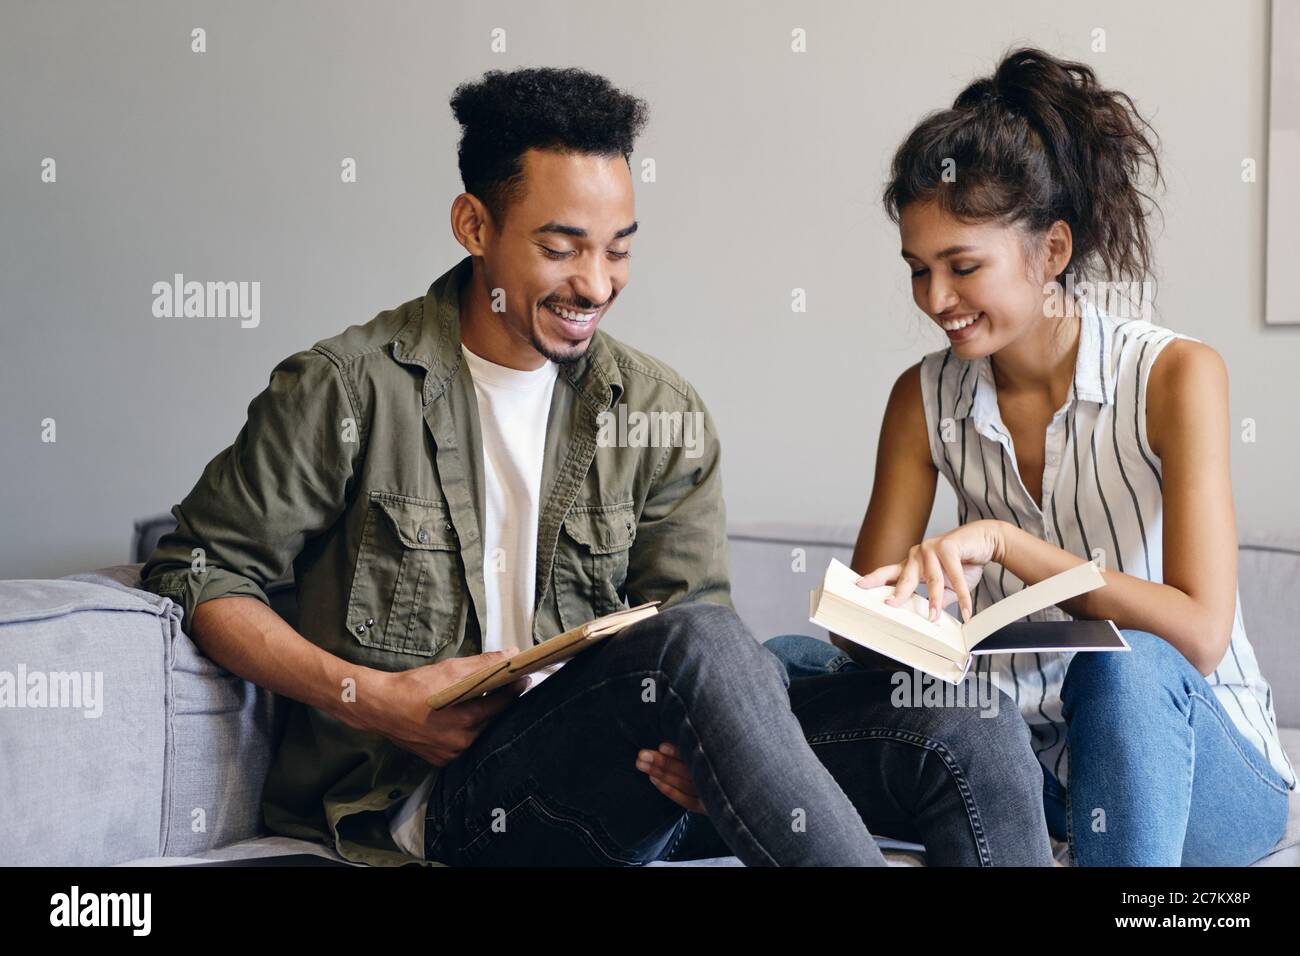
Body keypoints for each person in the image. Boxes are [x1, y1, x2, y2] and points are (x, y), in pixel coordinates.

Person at [142, 66, 1053, 867]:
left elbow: (707, 643)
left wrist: (722, 749)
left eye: (618, 248)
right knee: (698, 641)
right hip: (444, 799)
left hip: (637, 784)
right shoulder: (348, 392)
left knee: (964, 724)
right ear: (474, 225)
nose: (596, 282)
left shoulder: (659, 413)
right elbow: (198, 567)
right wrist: (377, 699)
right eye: (559, 246)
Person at [765, 48, 1295, 866]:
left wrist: (1007, 546)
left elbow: (1198, 634)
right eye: (918, 270)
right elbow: (863, 642)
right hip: (1024, 760)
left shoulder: (1175, 376)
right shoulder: (922, 398)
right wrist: (920, 617)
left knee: (1127, 669)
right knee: (778, 666)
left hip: (1195, 764)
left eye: (962, 266)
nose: (936, 300)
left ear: (1050, 252)